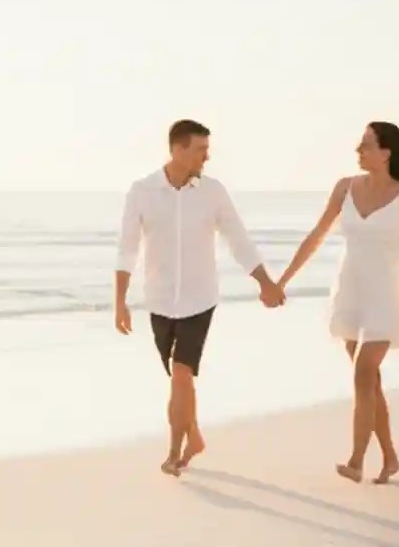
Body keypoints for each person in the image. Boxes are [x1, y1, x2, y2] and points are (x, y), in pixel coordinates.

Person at [115, 119, 285, 477]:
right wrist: (120, 301)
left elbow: (238, 239)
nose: (206, 158)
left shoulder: (213, 192)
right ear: (178, 149)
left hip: (199, 299)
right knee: (181, 379)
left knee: (180, 373)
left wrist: (265, 283)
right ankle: (193, 436)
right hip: (159, 301)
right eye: (200, 150)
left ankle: (174, 453)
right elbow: (127, 250)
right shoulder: (142, 191)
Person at [277, 121, 399, 484]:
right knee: (370, 382)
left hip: (388, 294)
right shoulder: (345, 188)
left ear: (386, 152)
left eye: (365, 145)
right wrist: (283, 280)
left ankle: (357, 460)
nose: (358, 151)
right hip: (351, 290)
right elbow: (317, 235)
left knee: (364, 372)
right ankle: (390, 456)